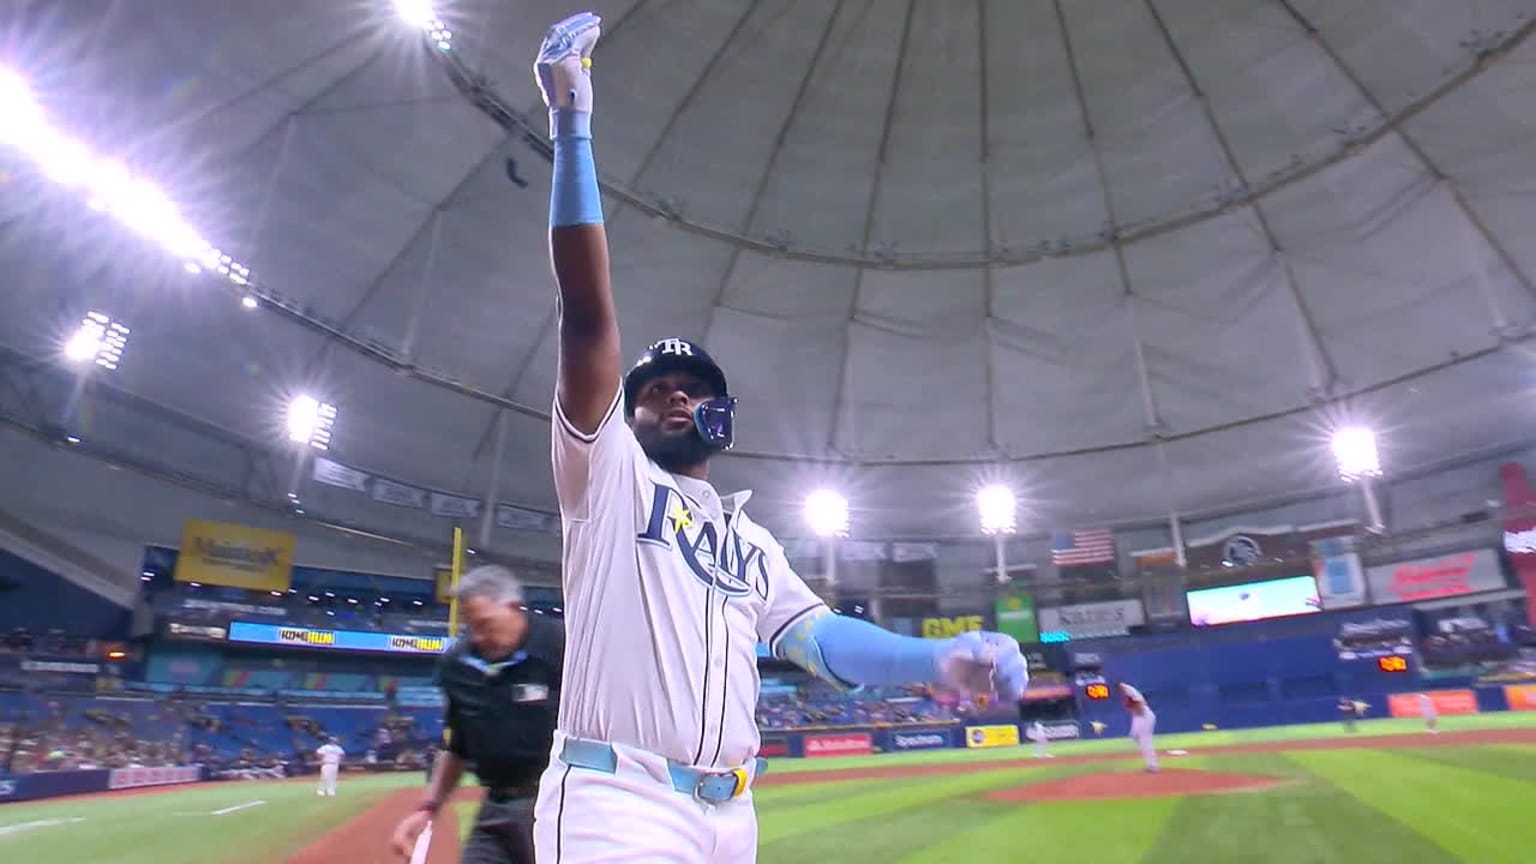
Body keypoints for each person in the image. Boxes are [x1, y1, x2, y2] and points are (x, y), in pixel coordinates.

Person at [529, 13, 1029, 863]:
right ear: (631, 411)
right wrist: (572, 127)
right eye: (655, 392)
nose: (677, 400)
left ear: (723, 414)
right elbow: (587, 324)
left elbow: (819, 638)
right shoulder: (606, 475)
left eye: (695, 392)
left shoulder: (748, 540)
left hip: (733, 816)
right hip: (618, 800)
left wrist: (937, 661)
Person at [390, 565, 562, 864]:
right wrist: (429, 807)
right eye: (472, 626)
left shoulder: (560, 644)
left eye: (486, 624)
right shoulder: (458, 665)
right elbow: (458, 746)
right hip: (496, 805)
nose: (479, 637)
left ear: (513, 607)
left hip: (556, 806)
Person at [1119, 683, 1158, 772]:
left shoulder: (1130, 691)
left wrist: (1138, 710)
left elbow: (1141, 703)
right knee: (1134, 736)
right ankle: (1150, 762)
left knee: (1145, 740)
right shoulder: (1127, 693)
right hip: (1138, 717)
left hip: (1144, 716)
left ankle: (1153, 765)